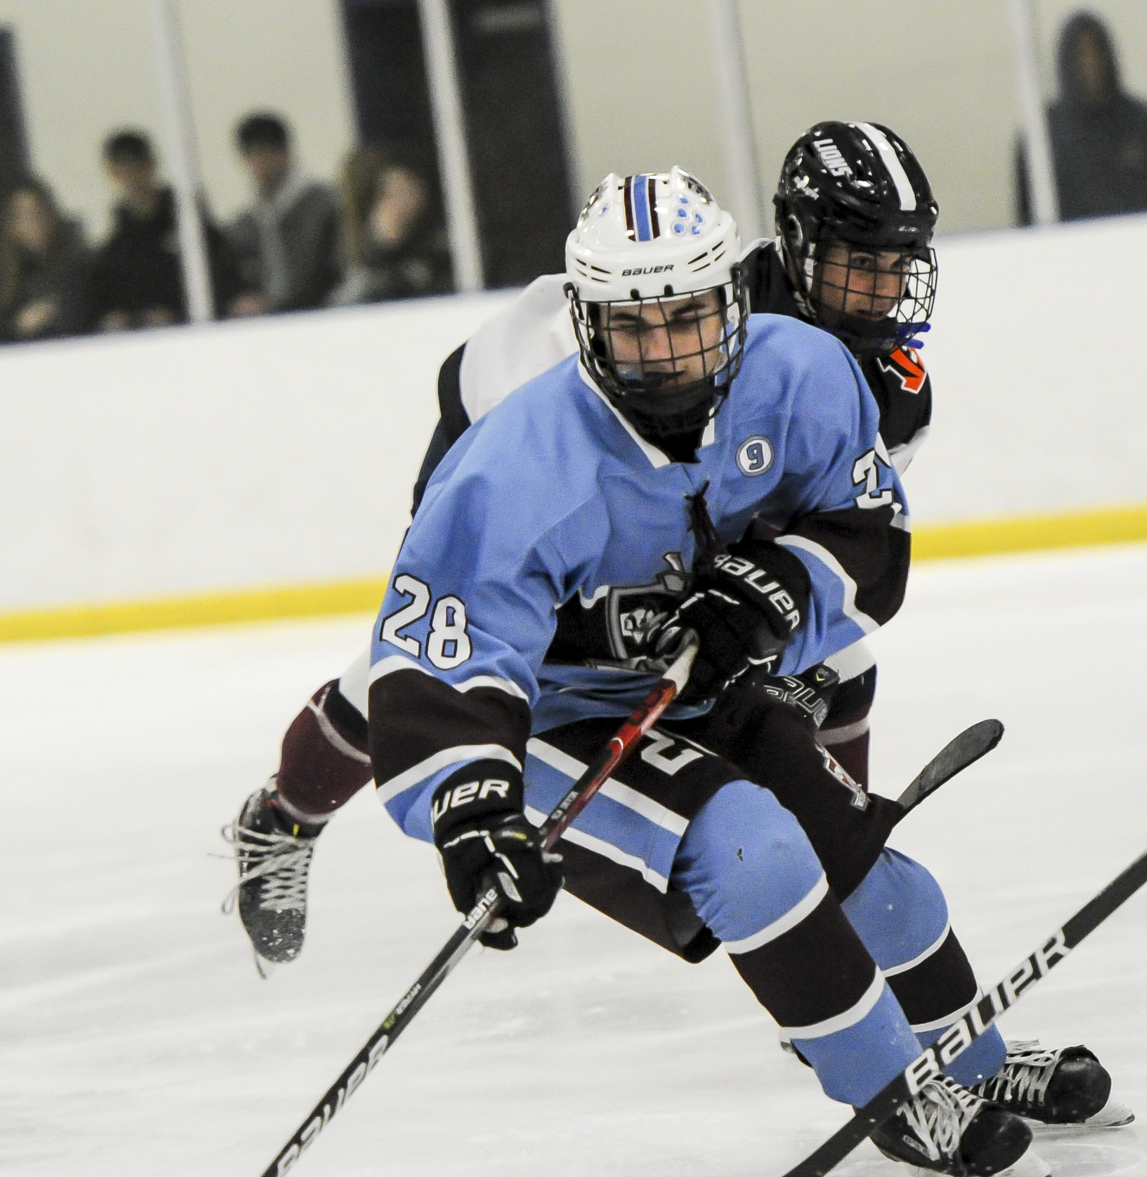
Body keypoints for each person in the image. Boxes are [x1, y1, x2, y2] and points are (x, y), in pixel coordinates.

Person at [362, 167, 1122, 1177]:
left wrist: (776, 591)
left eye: (688, 316)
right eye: (634, 327)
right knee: (754, 854)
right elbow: (441, 652)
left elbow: (866, 534)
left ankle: (974, 1066)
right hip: (558, 717)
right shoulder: (517, 462)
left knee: (879, 885)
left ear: (732, 296)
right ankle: (892, 1095)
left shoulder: (803, 373)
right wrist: (475, 813)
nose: (667, 352)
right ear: (586, 323)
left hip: (703, 686)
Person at [230, 121, 937, 967]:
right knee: (420, 674)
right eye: (859, 262)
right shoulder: (669, 307)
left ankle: (842, 887)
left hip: (689, 529)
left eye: (898, 263)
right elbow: (526, 465)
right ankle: (283, 818)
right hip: (527, 471)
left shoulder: (888, 387)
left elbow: (824, 530)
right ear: (796, 242)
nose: (882, 288)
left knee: (840, 661)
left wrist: (765, 601)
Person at [1016, 11, 1147, 224]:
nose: (1091, 62)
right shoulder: (1042, 136)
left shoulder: (1144, 123)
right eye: (1081, 54)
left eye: (1097, 51)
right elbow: (1027, 221)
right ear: (1067, 61)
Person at [83, 129, 234, 330]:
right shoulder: (115, 249)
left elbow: (220, 276)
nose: (131, 178)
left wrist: (176, 312)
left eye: (137, 168)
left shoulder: (190, 223)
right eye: (122, 171)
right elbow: (104, 300)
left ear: (151, 166)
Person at [224, 112, 341, 317]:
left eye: (264, 153)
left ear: (284, 152)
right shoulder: (245, 224)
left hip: (322, 314)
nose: (258, 163)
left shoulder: (326, 205)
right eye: (250, 155)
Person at [330, 149, 451, 305]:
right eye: (392, 194)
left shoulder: (439, 244)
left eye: (409, 188)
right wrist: (383, 244)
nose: (404, 200)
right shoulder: (352, 258)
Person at [0, 177, 90, 341]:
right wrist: (18, 326)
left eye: (38, 213)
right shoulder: (7, 276)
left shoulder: (79, 265)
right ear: (12, 225)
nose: (34, 223)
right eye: (25, 216)